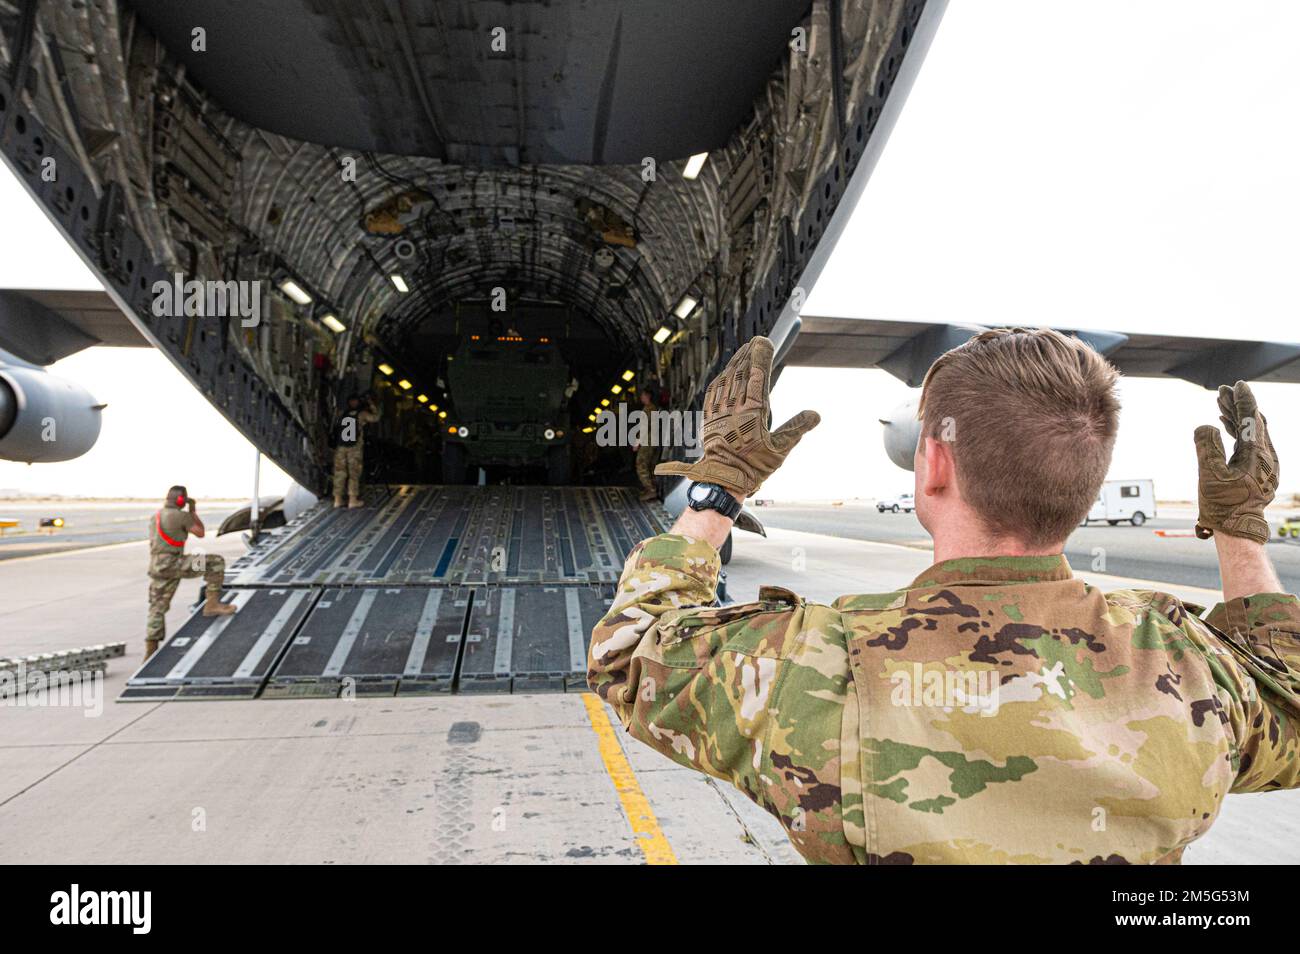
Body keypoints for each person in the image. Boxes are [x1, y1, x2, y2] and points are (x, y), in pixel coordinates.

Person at [589, 330, 1300, 864]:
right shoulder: (1186, 665)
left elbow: (630, 650)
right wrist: (1239, 532)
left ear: (932, 465)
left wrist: (718, 489)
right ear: (1086, 487)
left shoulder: (811, 664)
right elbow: (1290, 700)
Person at [145, 485, 235, 660]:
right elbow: (200, 533)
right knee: (215, 562)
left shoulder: (155, 516)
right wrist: (192, 510)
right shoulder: (182, 516)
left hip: (157, 566)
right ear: (181, 501)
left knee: (157, 608)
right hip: (175, 563)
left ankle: (150, 650)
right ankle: (212, 604)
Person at [332, 392, 381, 508]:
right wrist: (371, 404)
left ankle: (337, 500)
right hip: (354, 448)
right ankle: (352, 500)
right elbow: (376, 417)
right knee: (354, 474)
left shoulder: (342, 414)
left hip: (341, 447)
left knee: (339, 473)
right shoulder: (362, 414)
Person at [632, 386, 660, 501]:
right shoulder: (653, 408)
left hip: (648, 441)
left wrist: (637, 443)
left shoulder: (648, 409)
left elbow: (644, 428)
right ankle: (651, 488)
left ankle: (651, 490)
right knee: (651, 465)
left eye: (642, 395)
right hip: (653, 440)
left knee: (641, 464)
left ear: (647, 396)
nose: (641, 397)